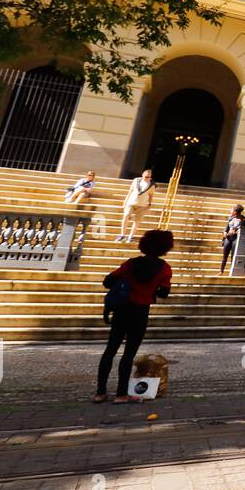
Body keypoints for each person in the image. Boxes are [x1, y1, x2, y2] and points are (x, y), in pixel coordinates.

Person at [95, 229, 173, 403]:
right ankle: (121, 394)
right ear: (165, 248)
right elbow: (163, 293)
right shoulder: (165, 269)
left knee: (110, 350)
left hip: (122, 309)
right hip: (140, 311)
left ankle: (100, 392)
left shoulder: (130, 264)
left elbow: (108, 281)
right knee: (129, 353)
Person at [119, 169, 156, 242]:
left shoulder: (152, 184)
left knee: (137, 221)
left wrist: (149, 204)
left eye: (149, 177)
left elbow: (151, 195)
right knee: (126, 216)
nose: (147, 178)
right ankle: (122, 235)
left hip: (142, 205)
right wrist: (125, 201)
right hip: (131, 202)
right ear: (142, 175)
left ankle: (131, 236)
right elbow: (130, 191)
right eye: (146, 176)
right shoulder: (136, 180)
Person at [220, 204, 245, 274]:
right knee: (225, 256)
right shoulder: (231, 218)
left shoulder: (243, 219)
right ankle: (221, 271)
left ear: (235, 212)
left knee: (233, 256)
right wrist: (225, 232)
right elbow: (226, 227)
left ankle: (231, 271)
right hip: (228, 238)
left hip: (236, 238)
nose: (231, 211)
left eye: (232, 210)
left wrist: (237, 230)